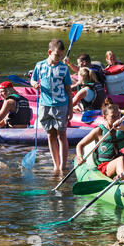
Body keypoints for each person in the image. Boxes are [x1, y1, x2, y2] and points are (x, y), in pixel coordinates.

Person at [31, 38, 73, 173]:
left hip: (61, 105)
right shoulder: (40, 66)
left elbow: (68, 90)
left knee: (62, 135)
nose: (59, 58)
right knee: (50, 135)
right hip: (45, 105)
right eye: (57, 55)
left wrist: (71, 108)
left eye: (61, 55)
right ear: (49, 52)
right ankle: (56, 165)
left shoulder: (63, 68)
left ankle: (63, 166)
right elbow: (33, 79)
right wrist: (34, 84)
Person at [76, 98, 124, 178]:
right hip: (106, 166)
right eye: (113, 117)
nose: (117, 119)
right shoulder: (99, 130)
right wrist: (80, 157)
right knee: (120, 159)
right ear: (104, 117)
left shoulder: (123, 127)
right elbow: (80, 145)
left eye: (118, 116)